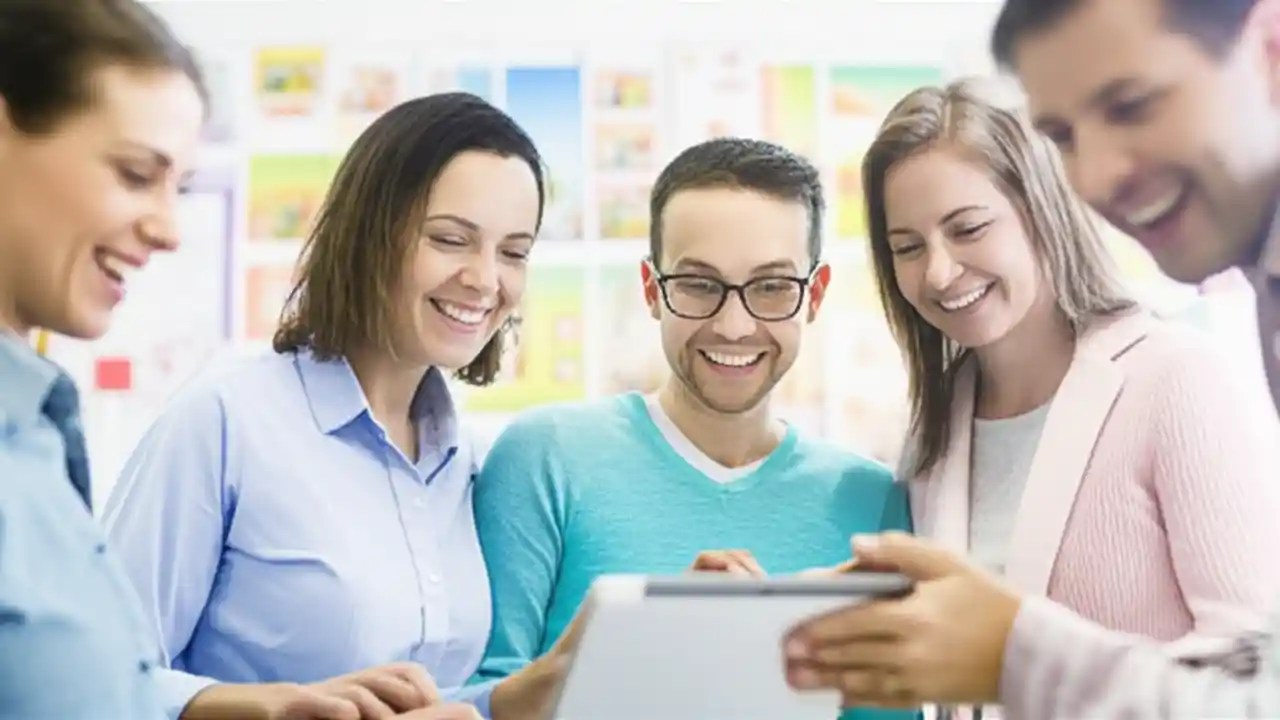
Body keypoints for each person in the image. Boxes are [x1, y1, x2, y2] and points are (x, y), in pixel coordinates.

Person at [781, 0, 1280, 717]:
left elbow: (1247, 663)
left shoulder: (1174, 379)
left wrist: (1017, 657)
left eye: (969, 227)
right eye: (907, 248)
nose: (941, 273)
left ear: (1039, 206)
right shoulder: (933, 427)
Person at [0, 2, 478, 719]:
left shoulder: (34, 429)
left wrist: (262, 706)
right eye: (135, 174)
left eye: (180, 188)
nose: (167, 230)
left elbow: (109, 684)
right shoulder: (225, 415)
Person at [101, 91, 560, 720]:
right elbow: (88, 678)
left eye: (513, 252)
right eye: (452, 240)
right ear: (371, 233)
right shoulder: (227, 421)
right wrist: (253, 707)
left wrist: (524, 693)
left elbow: (421, 696)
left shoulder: (465, 462)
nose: (485, 279)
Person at [467, 137, 913, 719]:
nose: (734, 325)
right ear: (653, 290)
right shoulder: (545, 458)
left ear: (814, 294)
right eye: (699, 285)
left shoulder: (869, 500)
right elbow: (475, 705)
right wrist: (653, 642)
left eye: (772, 286)